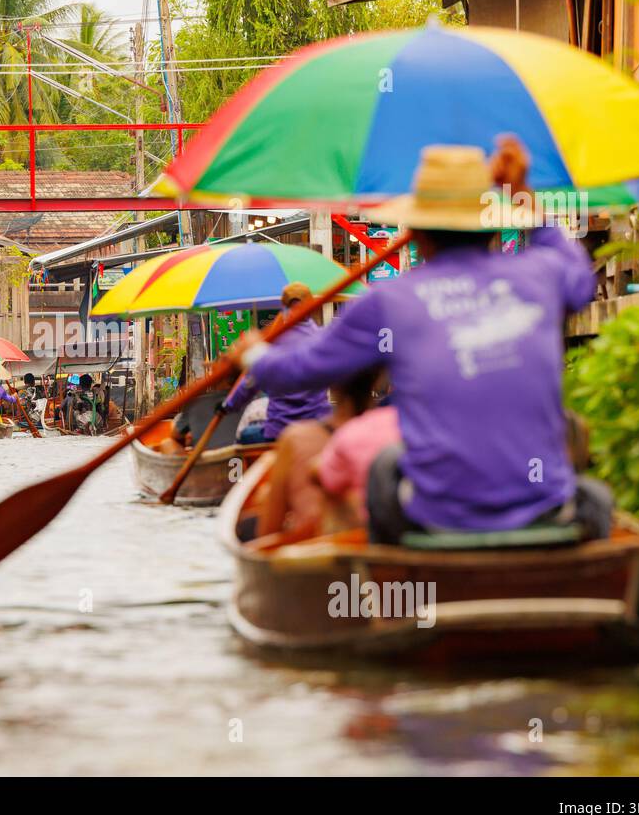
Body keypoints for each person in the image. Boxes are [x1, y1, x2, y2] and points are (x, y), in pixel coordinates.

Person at [229, 139, 613, 543]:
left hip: (435, 518)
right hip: (546, 506)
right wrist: (522, 193)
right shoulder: (541, 274)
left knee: (384, 467)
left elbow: (293, 372)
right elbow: (578, 276)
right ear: (494, 226)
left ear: (416, 234)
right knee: (593, 491)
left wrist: (253, 352)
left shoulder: (389, 301)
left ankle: (381, 593)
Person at [258, 367, 398, 538]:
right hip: (375, 550)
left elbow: (267, 534)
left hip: (312, 552)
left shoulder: (295, 439)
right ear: (377, 380)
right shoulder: (396, 429)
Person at [221, 282, 332, 444]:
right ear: (311, 306)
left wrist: (228, 406)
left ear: (284, 307)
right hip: (317, 425)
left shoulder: (274, 341)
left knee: (243, 435)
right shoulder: (323, 338)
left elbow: (250, 383)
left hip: (279, 430)